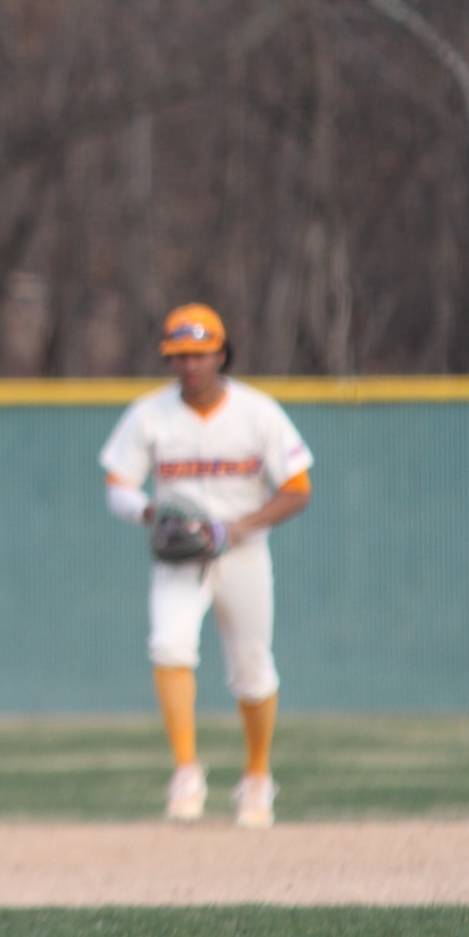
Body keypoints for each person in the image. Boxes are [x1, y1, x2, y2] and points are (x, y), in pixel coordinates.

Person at [98, 303, 313, 829]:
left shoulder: (257, 411)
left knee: (253, 669)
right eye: (179, 355)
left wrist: (239, 527)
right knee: (169, 643)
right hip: (181, 556)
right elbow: (117, 484)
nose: (190, 364)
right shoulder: (151, 414)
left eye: (199, 353)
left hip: (241, 552)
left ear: (221, 352)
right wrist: (147, 510)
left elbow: (298, 489)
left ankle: (258, 778)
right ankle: (186, 772)